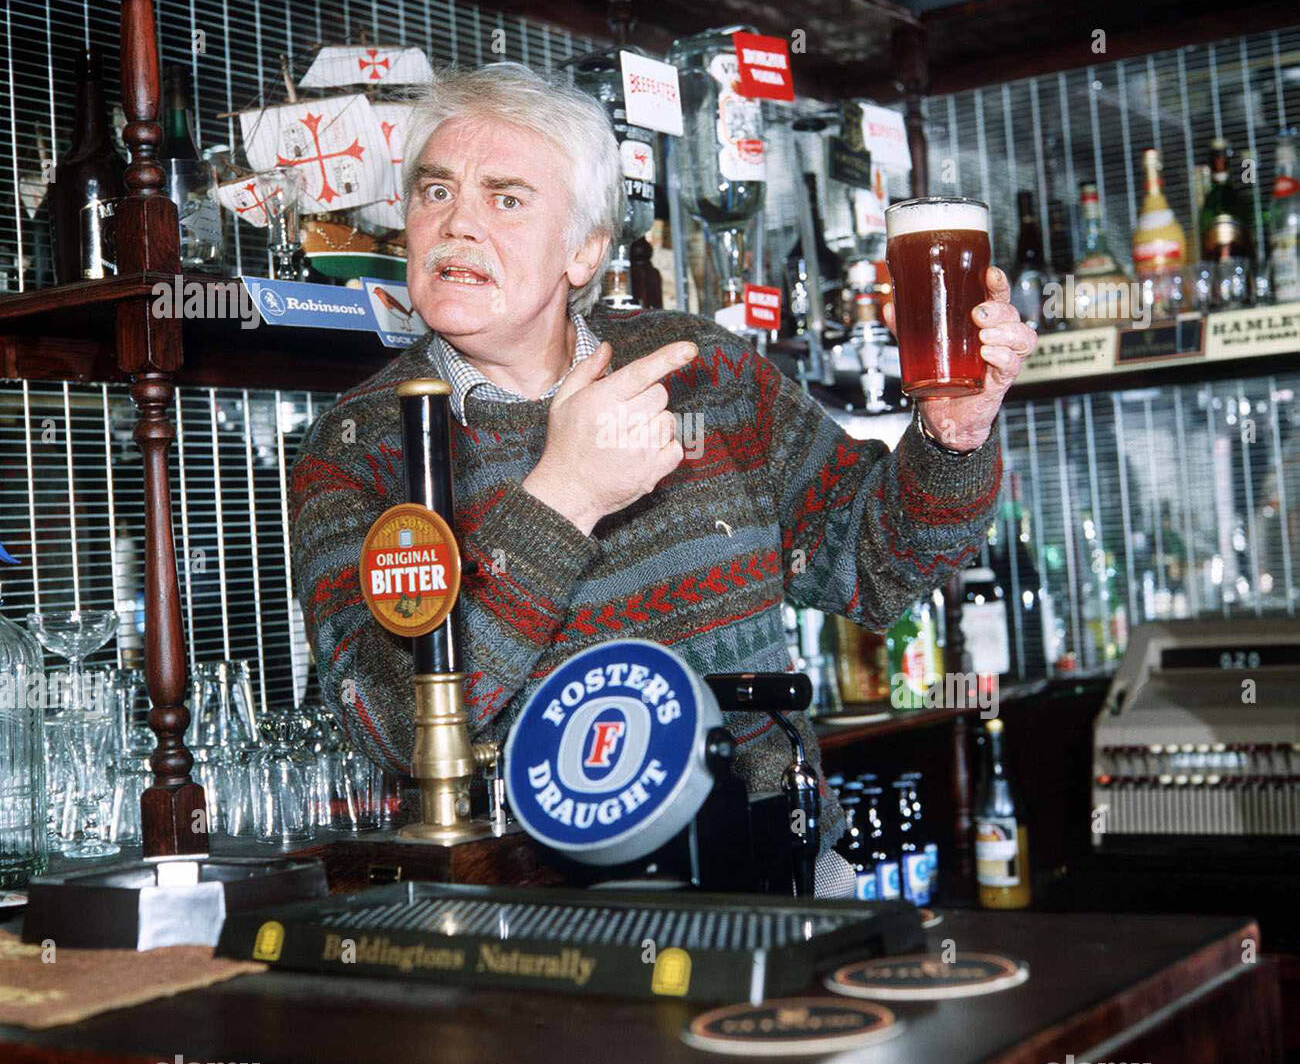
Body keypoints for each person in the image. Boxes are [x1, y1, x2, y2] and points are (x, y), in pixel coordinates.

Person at [289, 63, 1037, 894]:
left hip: (775, 881)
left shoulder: (695, 367)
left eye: (505, 198)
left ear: (584, 250)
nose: (458, 222)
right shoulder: (357, 446)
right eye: (435, 192)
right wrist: (565, 495)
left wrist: (954, 435)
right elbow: (392, 720)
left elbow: (879, 569)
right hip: (526, 926)